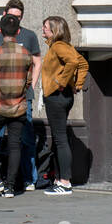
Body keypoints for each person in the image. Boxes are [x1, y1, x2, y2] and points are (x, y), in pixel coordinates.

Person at [0, 0, 42, 190]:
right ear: (4, 14)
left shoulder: (29, 36)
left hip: (21, 98)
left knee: (24, 139)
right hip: (0, 97)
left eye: (18, 17)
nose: (14, 20)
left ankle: (28, 178)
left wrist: (31, 87)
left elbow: (36, 62)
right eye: (11, 16)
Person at [38, 16, 89, 195]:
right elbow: (82, 63)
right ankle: (59, 179)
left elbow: (75, 63)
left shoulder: (59, 46)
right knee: (60, 138)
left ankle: (65, 182)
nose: (42, 30)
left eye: (45, 27)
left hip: (57, 96)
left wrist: (62, 81)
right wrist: (77, 84)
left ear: (54, 30)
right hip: (63, 95)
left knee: (59, 139)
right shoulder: (64, 46)